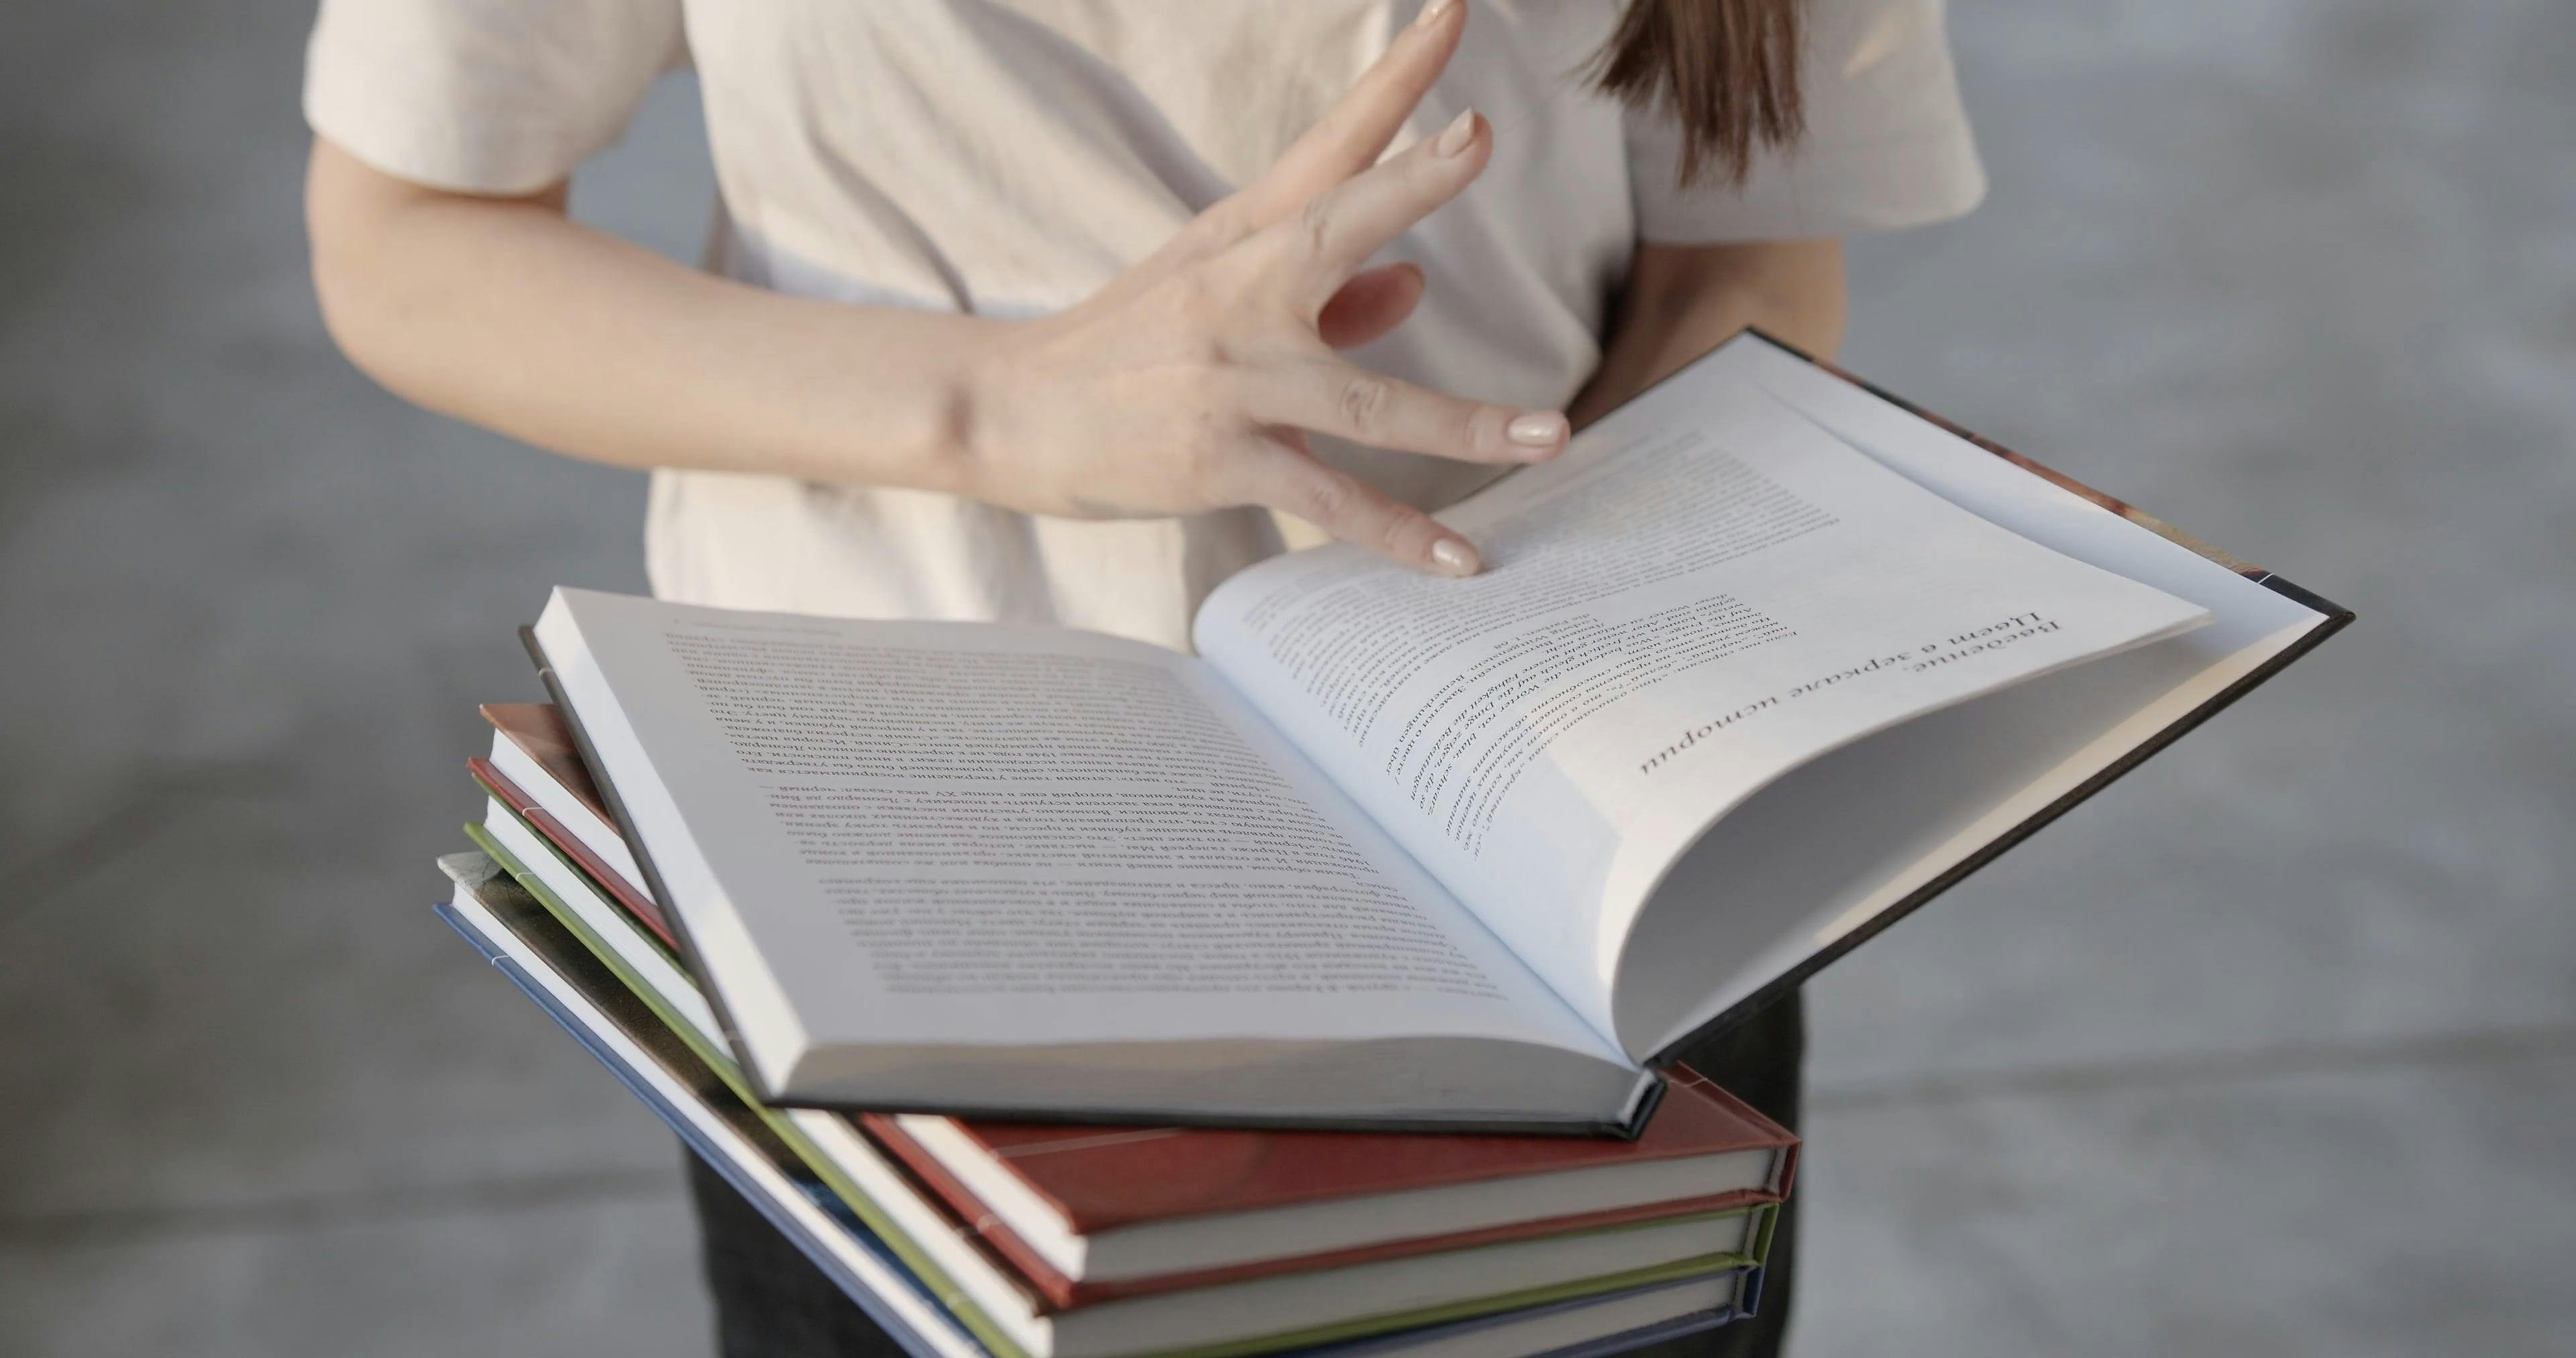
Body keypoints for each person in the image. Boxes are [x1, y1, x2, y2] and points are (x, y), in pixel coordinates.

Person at [303, 1, 1982, 1351]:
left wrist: (1598, 595)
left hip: (1554, 848)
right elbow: (407, 233)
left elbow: (1740, 245)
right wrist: (1001, 404)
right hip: (891, 869)